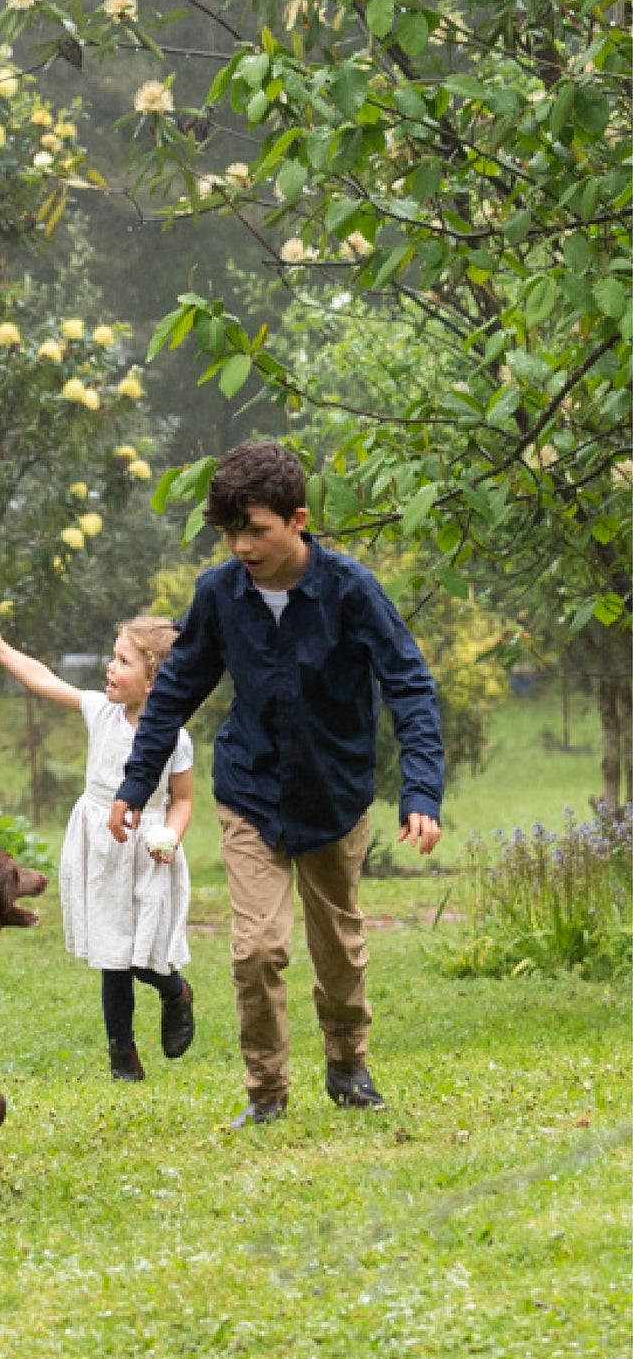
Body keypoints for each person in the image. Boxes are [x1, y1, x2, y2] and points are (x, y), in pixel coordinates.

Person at [108, 441, 445, 1127]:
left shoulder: (350, 590)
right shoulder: (219, 593)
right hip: (251, 793)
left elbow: (409, 685)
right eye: (230, 531)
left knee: (338, 948)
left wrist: (421, 791)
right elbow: (174, 692)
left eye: (255, 530)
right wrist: (135, 784)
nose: (241, 546)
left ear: (297, 520)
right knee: (257, 948)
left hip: (334, 797)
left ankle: (347, 1064)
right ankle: (266, 1092)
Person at [0, 611, 195, 1082]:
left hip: (147, 854)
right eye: (113, 656)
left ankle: (175, 992)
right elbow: (45, 681)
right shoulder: (101, 712)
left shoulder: (174, 737)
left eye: (124, 661)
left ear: (153, 682)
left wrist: (169, 837)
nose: (110, 667)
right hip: (102, 848)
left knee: (142, 954)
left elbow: (184, 800)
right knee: (112, 956)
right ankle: (122, 1057)